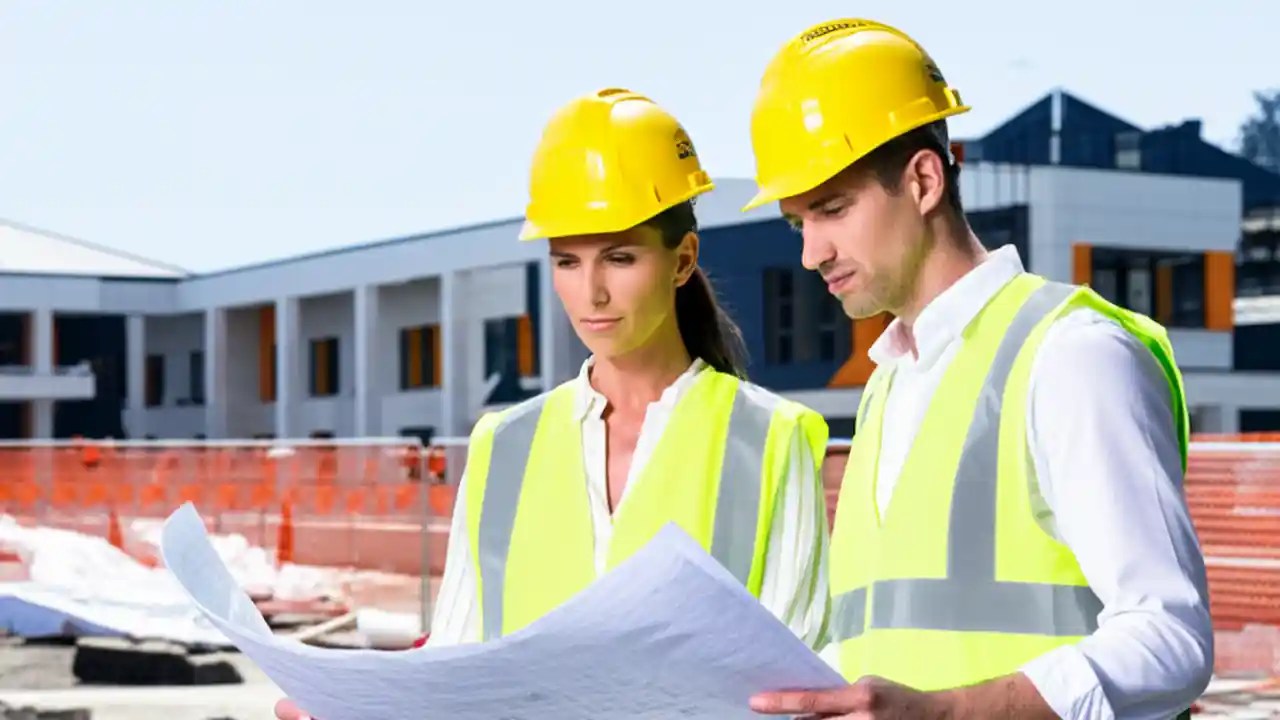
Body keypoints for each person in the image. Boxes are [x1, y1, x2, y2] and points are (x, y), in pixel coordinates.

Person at [274, 87, 832, 719]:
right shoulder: (503, 446)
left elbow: (799, 690)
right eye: (567, 261)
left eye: (619, 258)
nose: (590, 292)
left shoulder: (770, 438)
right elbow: (460, 662)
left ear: (683, 261)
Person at [741, 19, 1212, 720]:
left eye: (832, 210)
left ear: (924, 180)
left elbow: (1171, 636)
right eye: (796, 223)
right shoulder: (886, 387)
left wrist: (952, 712)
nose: (812, 253)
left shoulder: (1070, 357)